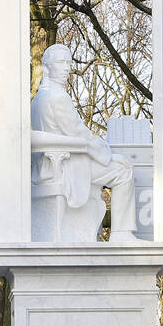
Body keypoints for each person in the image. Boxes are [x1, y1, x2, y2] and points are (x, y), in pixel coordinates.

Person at [30, 43, 137, 242]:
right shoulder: (57, 97)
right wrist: (106, 152)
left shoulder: (38, 98)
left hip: (53, 163)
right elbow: (80, 135)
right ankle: (122, 234)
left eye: (68, 63)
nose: (66, 68)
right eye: (60, 62)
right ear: (47, 67)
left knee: (119, 164)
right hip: (66, 165)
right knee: (123, 170)